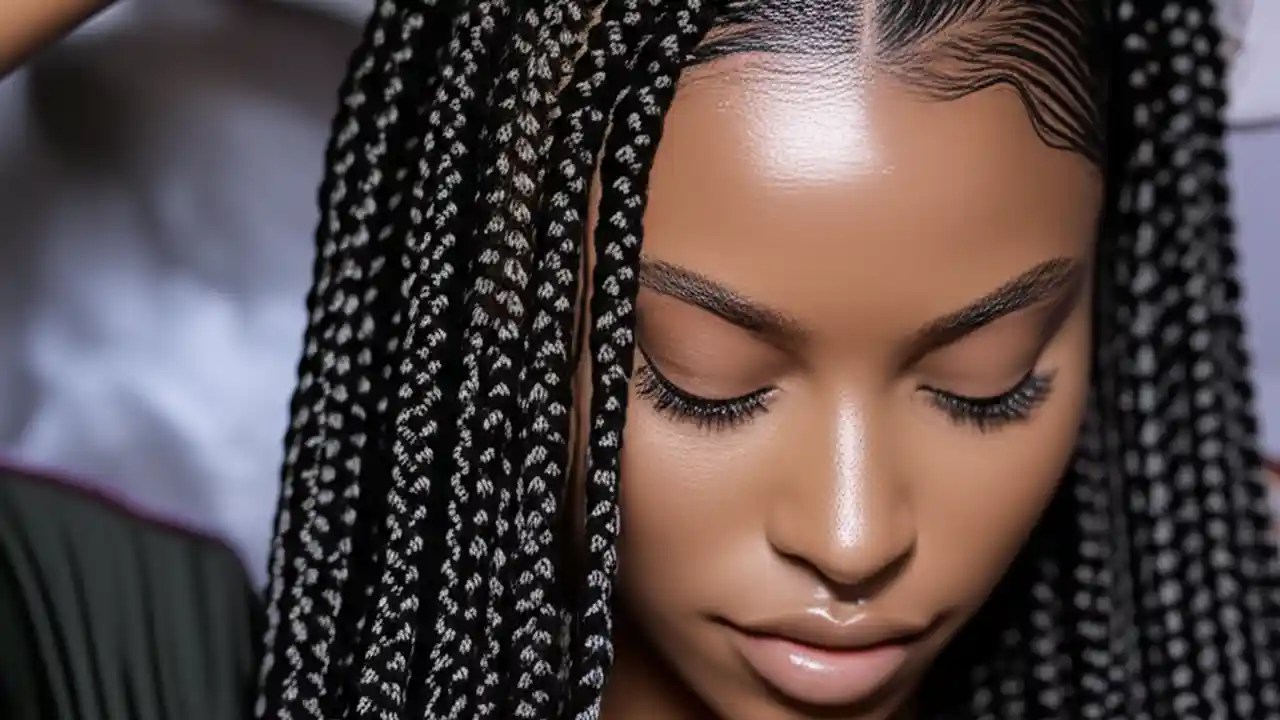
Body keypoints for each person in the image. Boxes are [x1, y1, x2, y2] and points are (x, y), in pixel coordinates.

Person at [2, 1, 1277, 720]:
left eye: (984, 380)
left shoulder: (1225, 647)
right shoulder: (133, 663)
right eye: (702, 377)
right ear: (499, 310)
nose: (850, 535)